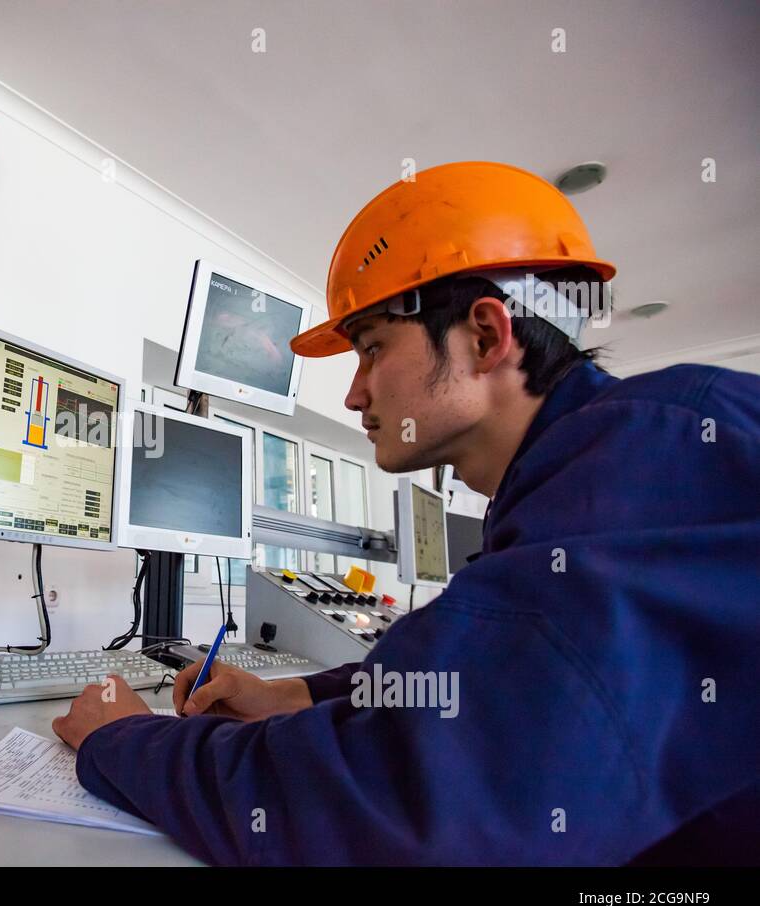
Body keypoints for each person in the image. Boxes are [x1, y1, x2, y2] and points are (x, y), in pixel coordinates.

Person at [52, 161, 760, 865]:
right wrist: (295, 694)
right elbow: (487, 681)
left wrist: (127, 741)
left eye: (371, 350)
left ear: (485, 337)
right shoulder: (616, 458)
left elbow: (399, 816)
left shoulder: (648, 463)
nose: (355, 395)